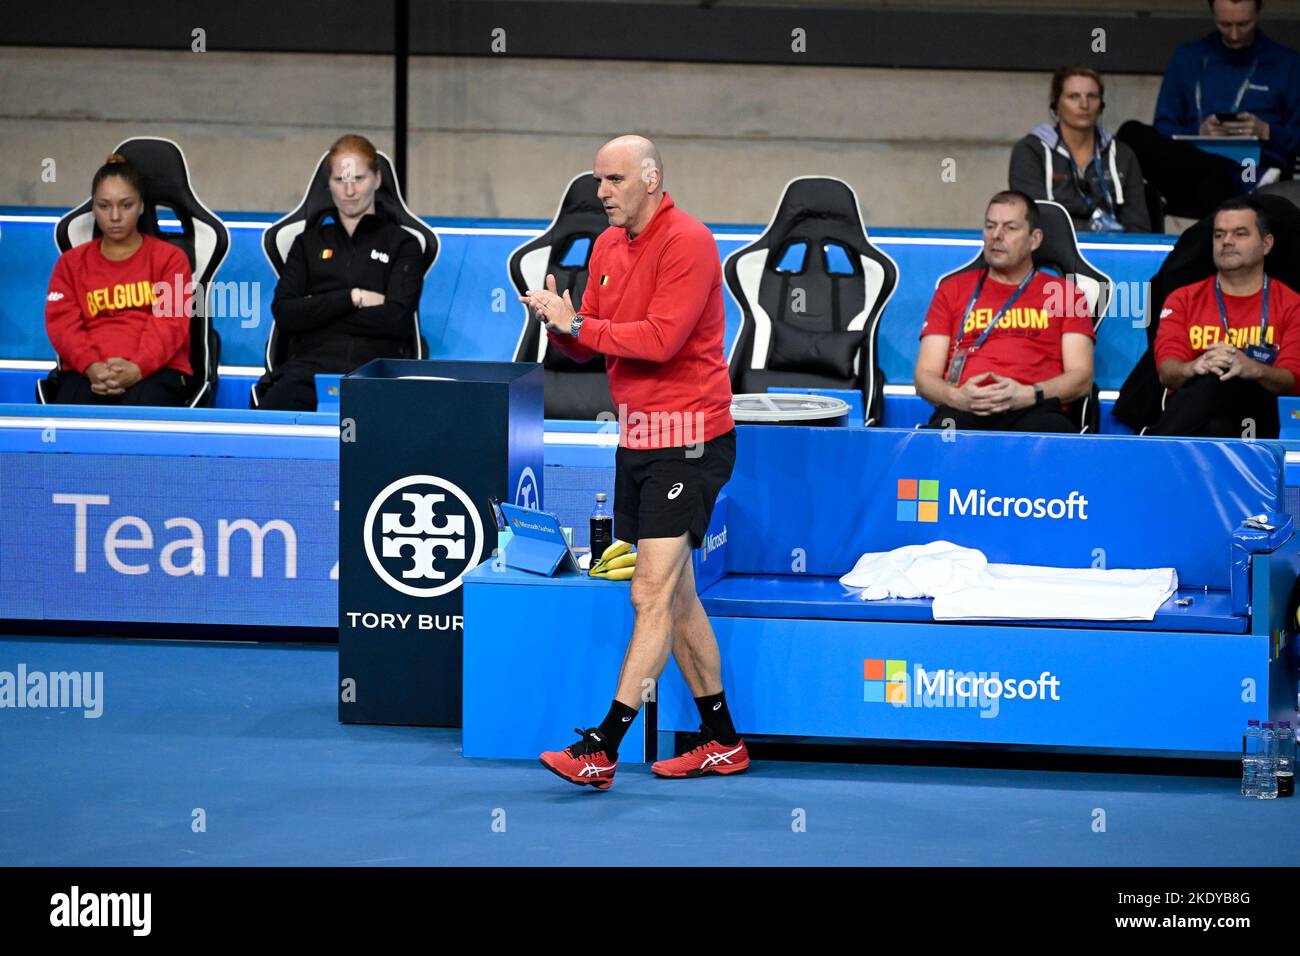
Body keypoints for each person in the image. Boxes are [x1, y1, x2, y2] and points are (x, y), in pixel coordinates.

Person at [521, 135, 744, 789]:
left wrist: (582, 327)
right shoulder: (605, 247)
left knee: (649, 592)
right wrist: (564, 323)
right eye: (598, 181)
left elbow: (660, 340)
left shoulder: (690, 242)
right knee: (675, 599)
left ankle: (602, 746)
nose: (602, 193)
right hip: (639, 438)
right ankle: (722, 741)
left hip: (692, 439)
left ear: (650, 178)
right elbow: (598, 345)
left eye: (614, 180)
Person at [253, 134, 424, 411]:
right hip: (307, 369)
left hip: (375, 371)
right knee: (268, 423)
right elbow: (285, 314)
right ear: (329, 185)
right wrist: (352, 298)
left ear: (377, 180)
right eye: (340, 180)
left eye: (358, 178)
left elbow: (397, 320)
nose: (350, 191)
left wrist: (317, 312)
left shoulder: (403, 243)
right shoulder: (307, 243)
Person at [914, 191, 1095, 433]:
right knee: (937, 444)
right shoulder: (952, 289)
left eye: (1010, 228)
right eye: (990, 226)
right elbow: (924, 376)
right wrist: (956, 397)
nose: (996, 236)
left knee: (1050, 442)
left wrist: (1030, 394)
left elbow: (1081, 378)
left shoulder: (1065, 294)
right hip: (964, 408)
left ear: (1035, 239)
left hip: (1035, 409)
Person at [1118, 0, 1300, 219]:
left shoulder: (1287, 63)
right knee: (1130, 132)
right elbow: (1163, 127)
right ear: (1213, 13)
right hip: (1193, 169)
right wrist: (1197, 132)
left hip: (1257, 170)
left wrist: (1267, 131)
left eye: (1243, 24)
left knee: (1219, 189)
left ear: (1259, 10)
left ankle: (1241, 178)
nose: (1234, 35)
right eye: (1225, 24)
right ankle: (1236, 176)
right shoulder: (1188, 57)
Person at [44, 153, 193, 406]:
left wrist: (137, 368)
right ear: (93, 208)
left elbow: (171, 323)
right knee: (71, 421)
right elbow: (62, 325)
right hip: (86, 373)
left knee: (141, 417)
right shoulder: (70, 264)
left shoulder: (171, 259)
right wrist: (91, 366)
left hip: (157, 372)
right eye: (104, 206)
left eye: (126, 205)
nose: (115, 216)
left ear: (142, 206)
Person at [1148, 196, 1300, 438]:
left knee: (1230, 380)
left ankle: (1155, 446)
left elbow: (1291, 380)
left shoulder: (1293, 304)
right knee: (1214, 393)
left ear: (1266, 244)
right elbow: (1167, 372)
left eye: (1240, 233)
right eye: (1219, 235)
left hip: (1262, 420)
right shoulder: (1183, 299)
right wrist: (1196, 366)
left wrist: (1250, 368)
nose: (1226, 241)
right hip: (1202, 422)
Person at [1009, 65, 1150, 234]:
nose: (1084, 104)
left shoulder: (1122, 154)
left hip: (1111, 252)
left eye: (1092, 96)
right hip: (1052, 252)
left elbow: (1139, 226)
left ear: (1101, 104)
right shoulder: (1030, 151)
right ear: (1056, 102)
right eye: (1073, 96)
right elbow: (1031, 221)